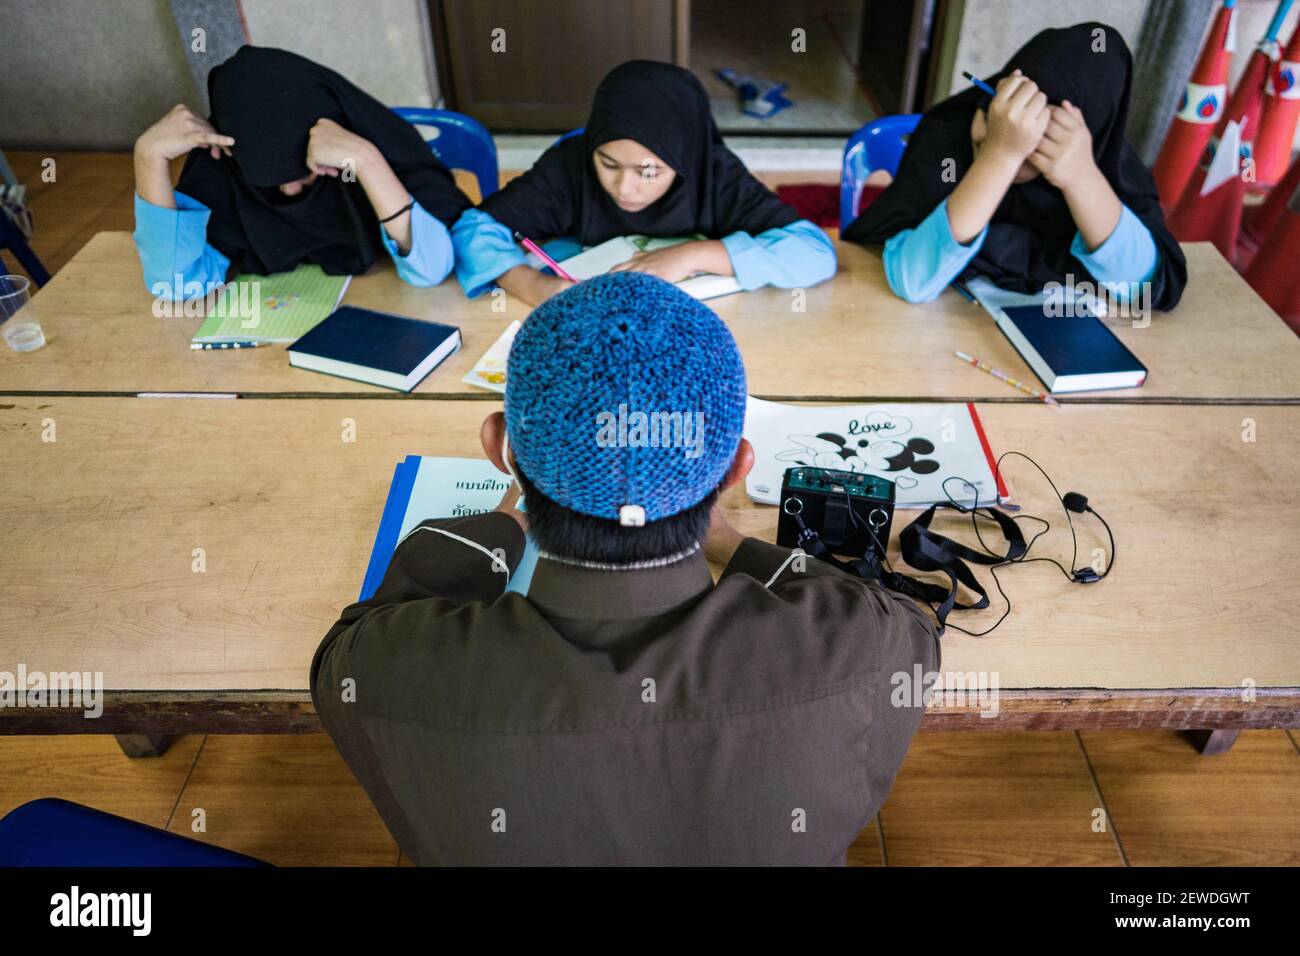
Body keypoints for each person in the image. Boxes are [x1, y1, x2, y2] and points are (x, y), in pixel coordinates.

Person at [311, 271, 938, 866]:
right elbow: (901, 622)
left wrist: (498, 528)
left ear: (500, 447)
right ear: (736, 468)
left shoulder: (388, 672)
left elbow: (354, 641)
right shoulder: (863, 648)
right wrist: (731, 545)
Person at [843, 23, 1186, 311]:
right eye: (1001, 109)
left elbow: (1147, 287)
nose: (1016, 131)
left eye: (1041, 129)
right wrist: (998, 157)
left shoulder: (1103, 164)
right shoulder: (950, 135)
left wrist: (1081, 177)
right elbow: (912, 280)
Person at [452, 60, 837, 305]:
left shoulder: (713, 172)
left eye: (648, 171)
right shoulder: (570, 165)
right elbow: (472, 232)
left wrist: (692, 255)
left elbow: (814, 253)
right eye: (608, 163)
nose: (624, 188)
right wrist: (535, 287)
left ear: (684, 158)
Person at [132, 46, 470, 298]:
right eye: (269, 183)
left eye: (305, 175)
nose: (291, 193)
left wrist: (366, 161)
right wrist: (148, 158)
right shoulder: (224, 173)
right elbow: (175, 285)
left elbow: (432, 269)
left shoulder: (367, 154)